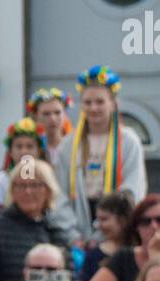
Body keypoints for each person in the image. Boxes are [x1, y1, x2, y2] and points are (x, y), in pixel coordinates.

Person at [54, 65, 147, 242]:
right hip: (76, 225)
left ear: (112, 104)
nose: (93, 108)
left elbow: (132, 189)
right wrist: (73, 234)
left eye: (100, 102)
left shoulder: (128, 141)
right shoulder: (68, 145)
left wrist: (108, 226)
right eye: (87, 102)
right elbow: (59, 193)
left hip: (117, 228)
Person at [82, 194, 160, 281]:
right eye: (145, 221)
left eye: (159, 220)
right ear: (137, 226)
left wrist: (155, 255)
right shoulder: (125, 256)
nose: (154, 226)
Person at [0, 119, 48, 220]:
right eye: (19, 146)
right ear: (11, 152)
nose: (24, 151)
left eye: (30, 146)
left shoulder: (47, 179)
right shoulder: (0, 181)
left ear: (39, 151)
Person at [26, 87, 73, 164]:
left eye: (57, 113)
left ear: (65, 114)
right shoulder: (28, 147)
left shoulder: (74, 144)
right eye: (46, 114)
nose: (52, 118)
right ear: (35, 116)